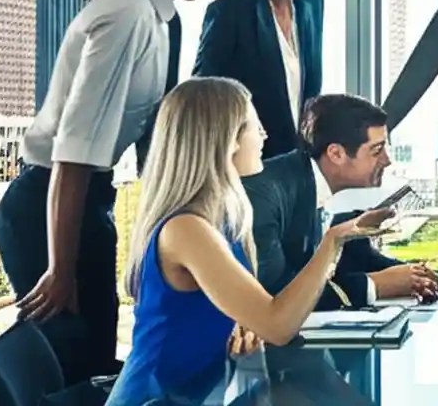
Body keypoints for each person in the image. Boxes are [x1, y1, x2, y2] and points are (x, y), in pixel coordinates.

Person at [0, 0, 209, 384]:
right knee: (69, 368)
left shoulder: (164, 21)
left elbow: (150, 138)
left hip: (90, 202)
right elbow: (72, 154)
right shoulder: (125, 16)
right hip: (47, 209)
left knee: (96, 359)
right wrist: (59, 267)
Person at [108, 78, 391, 405]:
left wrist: (242, 320)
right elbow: (278, 324)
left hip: (202, 393)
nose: (264, 136)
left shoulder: (222, 221)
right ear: (226, 139)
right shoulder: (187, 229)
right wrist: (335, 240)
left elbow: (249, 313)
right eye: (255, 127)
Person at [245, 93, 438, 309]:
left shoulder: (304, 183)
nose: (387, 160)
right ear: (336, 154)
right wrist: (375, 286)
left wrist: (413, 276)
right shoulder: (265, 195)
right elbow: (276, 292)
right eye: (377, 150)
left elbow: (347, 262)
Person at [195, 0, 323, 159]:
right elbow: (201, 97)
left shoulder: (312, 1)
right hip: (252, 165)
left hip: (301, 163)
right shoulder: (229, 12)